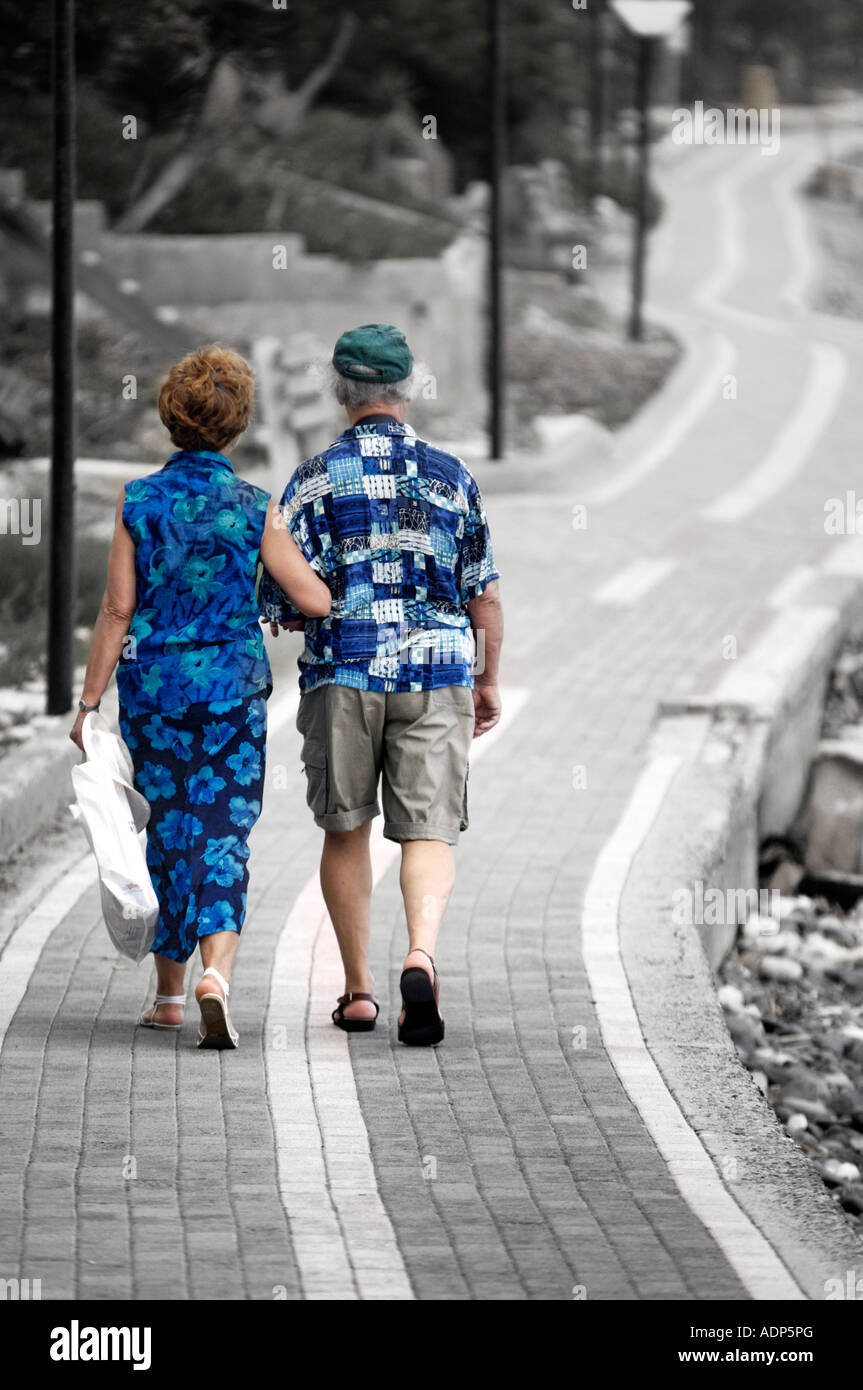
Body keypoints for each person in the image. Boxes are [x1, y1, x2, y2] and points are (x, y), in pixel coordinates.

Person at [70, 344, 331, 1049]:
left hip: (152, 691)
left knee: (165, 828)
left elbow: (116, 610)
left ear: (170, 420)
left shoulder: (140, 501)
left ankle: (168, 998)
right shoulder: (253, 507)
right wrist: (273, 604)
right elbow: (314, 598)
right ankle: (217, 974)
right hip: (230, 693)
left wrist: (89, 703)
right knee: (221, 831)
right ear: (238, 426)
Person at [260, 323, 503, 1046]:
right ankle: (420, 955)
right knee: (427, 830)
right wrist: (488, 678)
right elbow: (482, 595)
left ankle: (359, 991)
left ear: (341, 391)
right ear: (406, 389)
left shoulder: (309, 480)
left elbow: (284, 602)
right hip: (436, 670)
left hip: (344, 674)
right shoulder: (450, 475)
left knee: (346, 828)